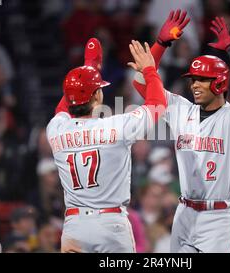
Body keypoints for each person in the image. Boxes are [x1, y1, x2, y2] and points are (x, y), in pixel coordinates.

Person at [133, 11, 230, 252]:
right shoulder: (180, 109)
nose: (194, 84)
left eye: (201, 79)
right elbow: (142, 84)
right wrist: (161, 44)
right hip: (184, 212)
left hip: (219, 217)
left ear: (219, 83)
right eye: (193, 79)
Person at [47, 40, 166, 253]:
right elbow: (157, 105)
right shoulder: (116, 126)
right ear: (96, 96)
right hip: (111, 225)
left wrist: (89, 67)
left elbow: (63, 106)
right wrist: (149, 69)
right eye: (98, 89)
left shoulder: (55, 129)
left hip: (75, 226)